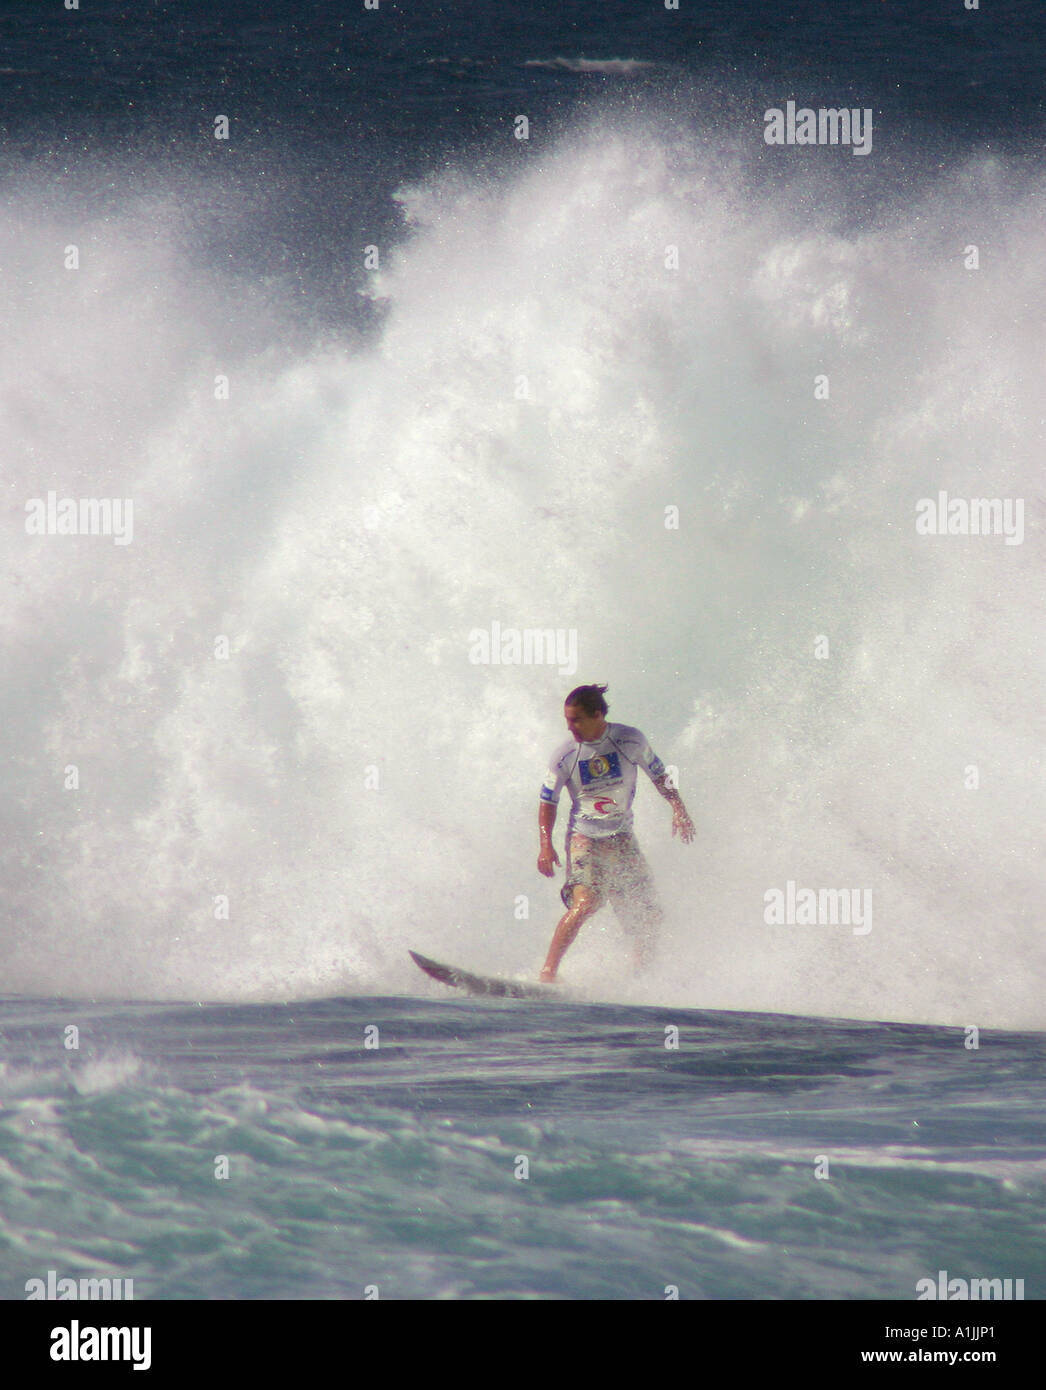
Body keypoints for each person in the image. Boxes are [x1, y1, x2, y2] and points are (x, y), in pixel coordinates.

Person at [536, 684, 694, 982]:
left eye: (576, 720)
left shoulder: (630, 740)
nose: (570, 727)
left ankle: (641, 976)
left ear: (598, 714)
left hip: (621, 838)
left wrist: (678, 806)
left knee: (648, 913)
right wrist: (546, 845)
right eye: (567, 720)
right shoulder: (565, 756)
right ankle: (547, 975)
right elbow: (548, 802)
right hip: (585, 837)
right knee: (586, 903)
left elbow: (660, 775)